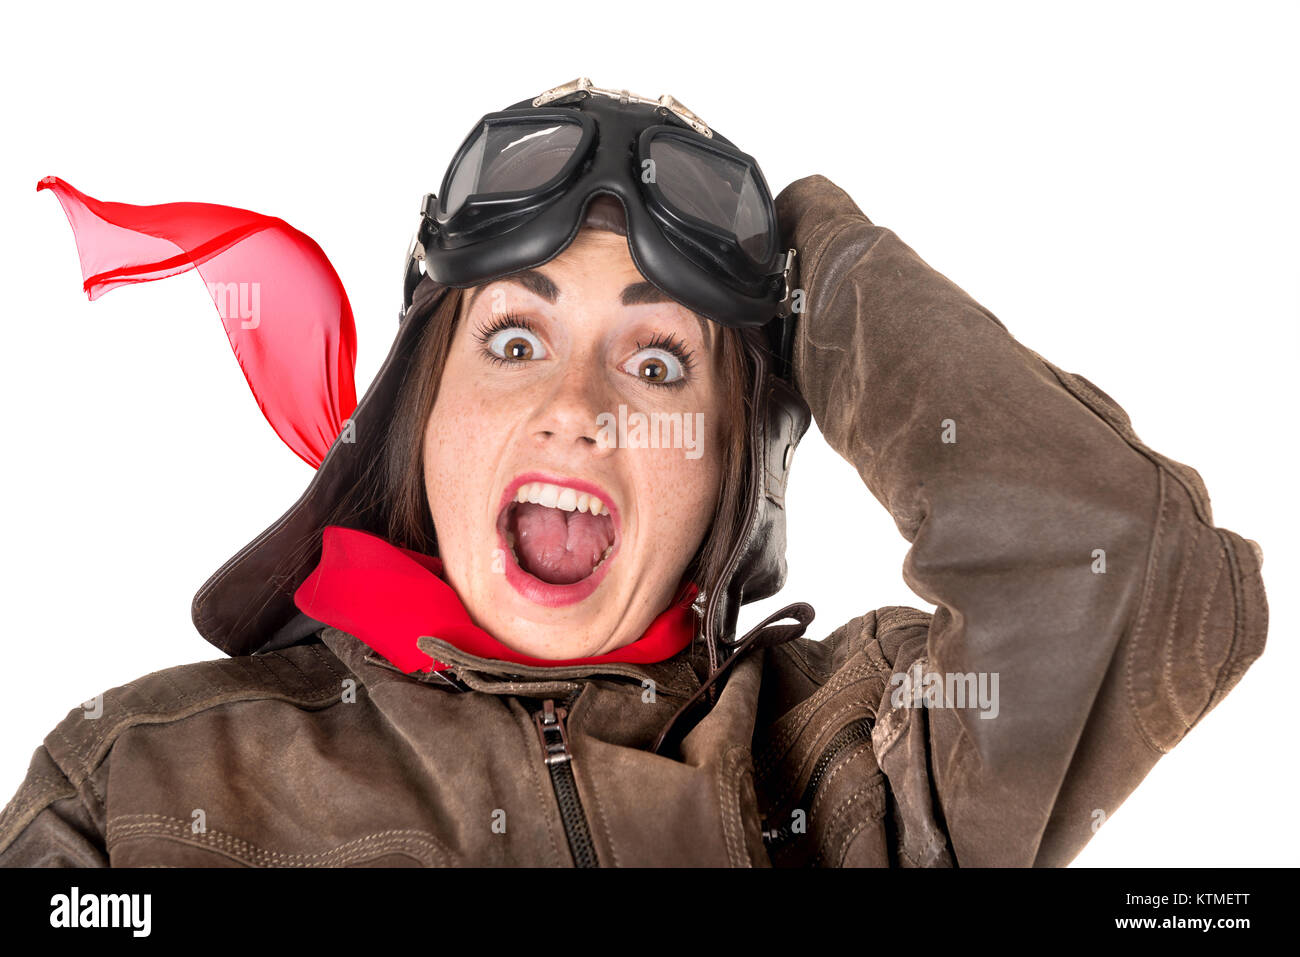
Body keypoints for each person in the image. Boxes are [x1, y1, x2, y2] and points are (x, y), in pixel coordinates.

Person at [0, 78, 1268, 867]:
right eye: (511, 339)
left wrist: (808, 269)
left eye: (659, 366)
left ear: (731, 472)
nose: (577, 409)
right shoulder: (140, 785)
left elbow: (1134, 570)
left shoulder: (859, 774)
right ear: (420, 419)